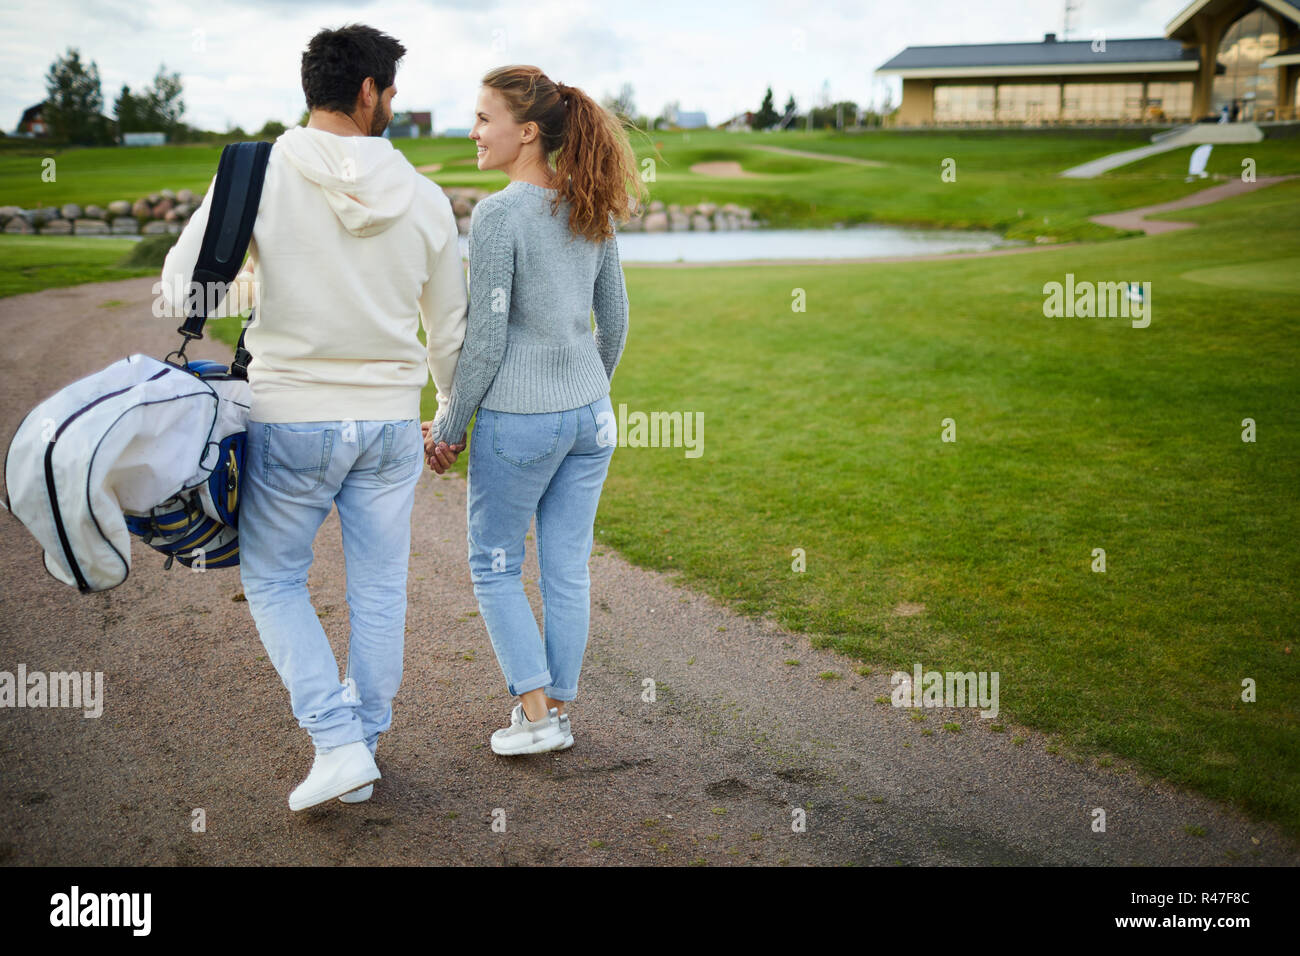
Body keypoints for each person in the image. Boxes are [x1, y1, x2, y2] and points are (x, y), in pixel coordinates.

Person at [162, 24, 468, 809]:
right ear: (368, 92)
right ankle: (359, 744)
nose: (393, 104)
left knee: (271, 579)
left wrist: (263, 284)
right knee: (379, 590)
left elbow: (178, 293)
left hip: (288, 416)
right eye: (392, 91)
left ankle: (338, 743)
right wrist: (449, 419)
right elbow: (451, 335)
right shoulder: (428, 198)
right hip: (393, 426)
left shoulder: (253, 172)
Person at [424, 66, 647, 755]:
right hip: (591, 417)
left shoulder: (498, 214)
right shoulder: (591, 204)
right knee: (565, 569)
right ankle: (553, 711)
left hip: (521, 419)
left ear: (526, 132)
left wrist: (450, 426)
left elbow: (485, 342)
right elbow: (615, 319)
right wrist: (586, 391)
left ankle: (538, 715)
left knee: (494, 565)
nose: (473, 132)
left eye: (484, 118)